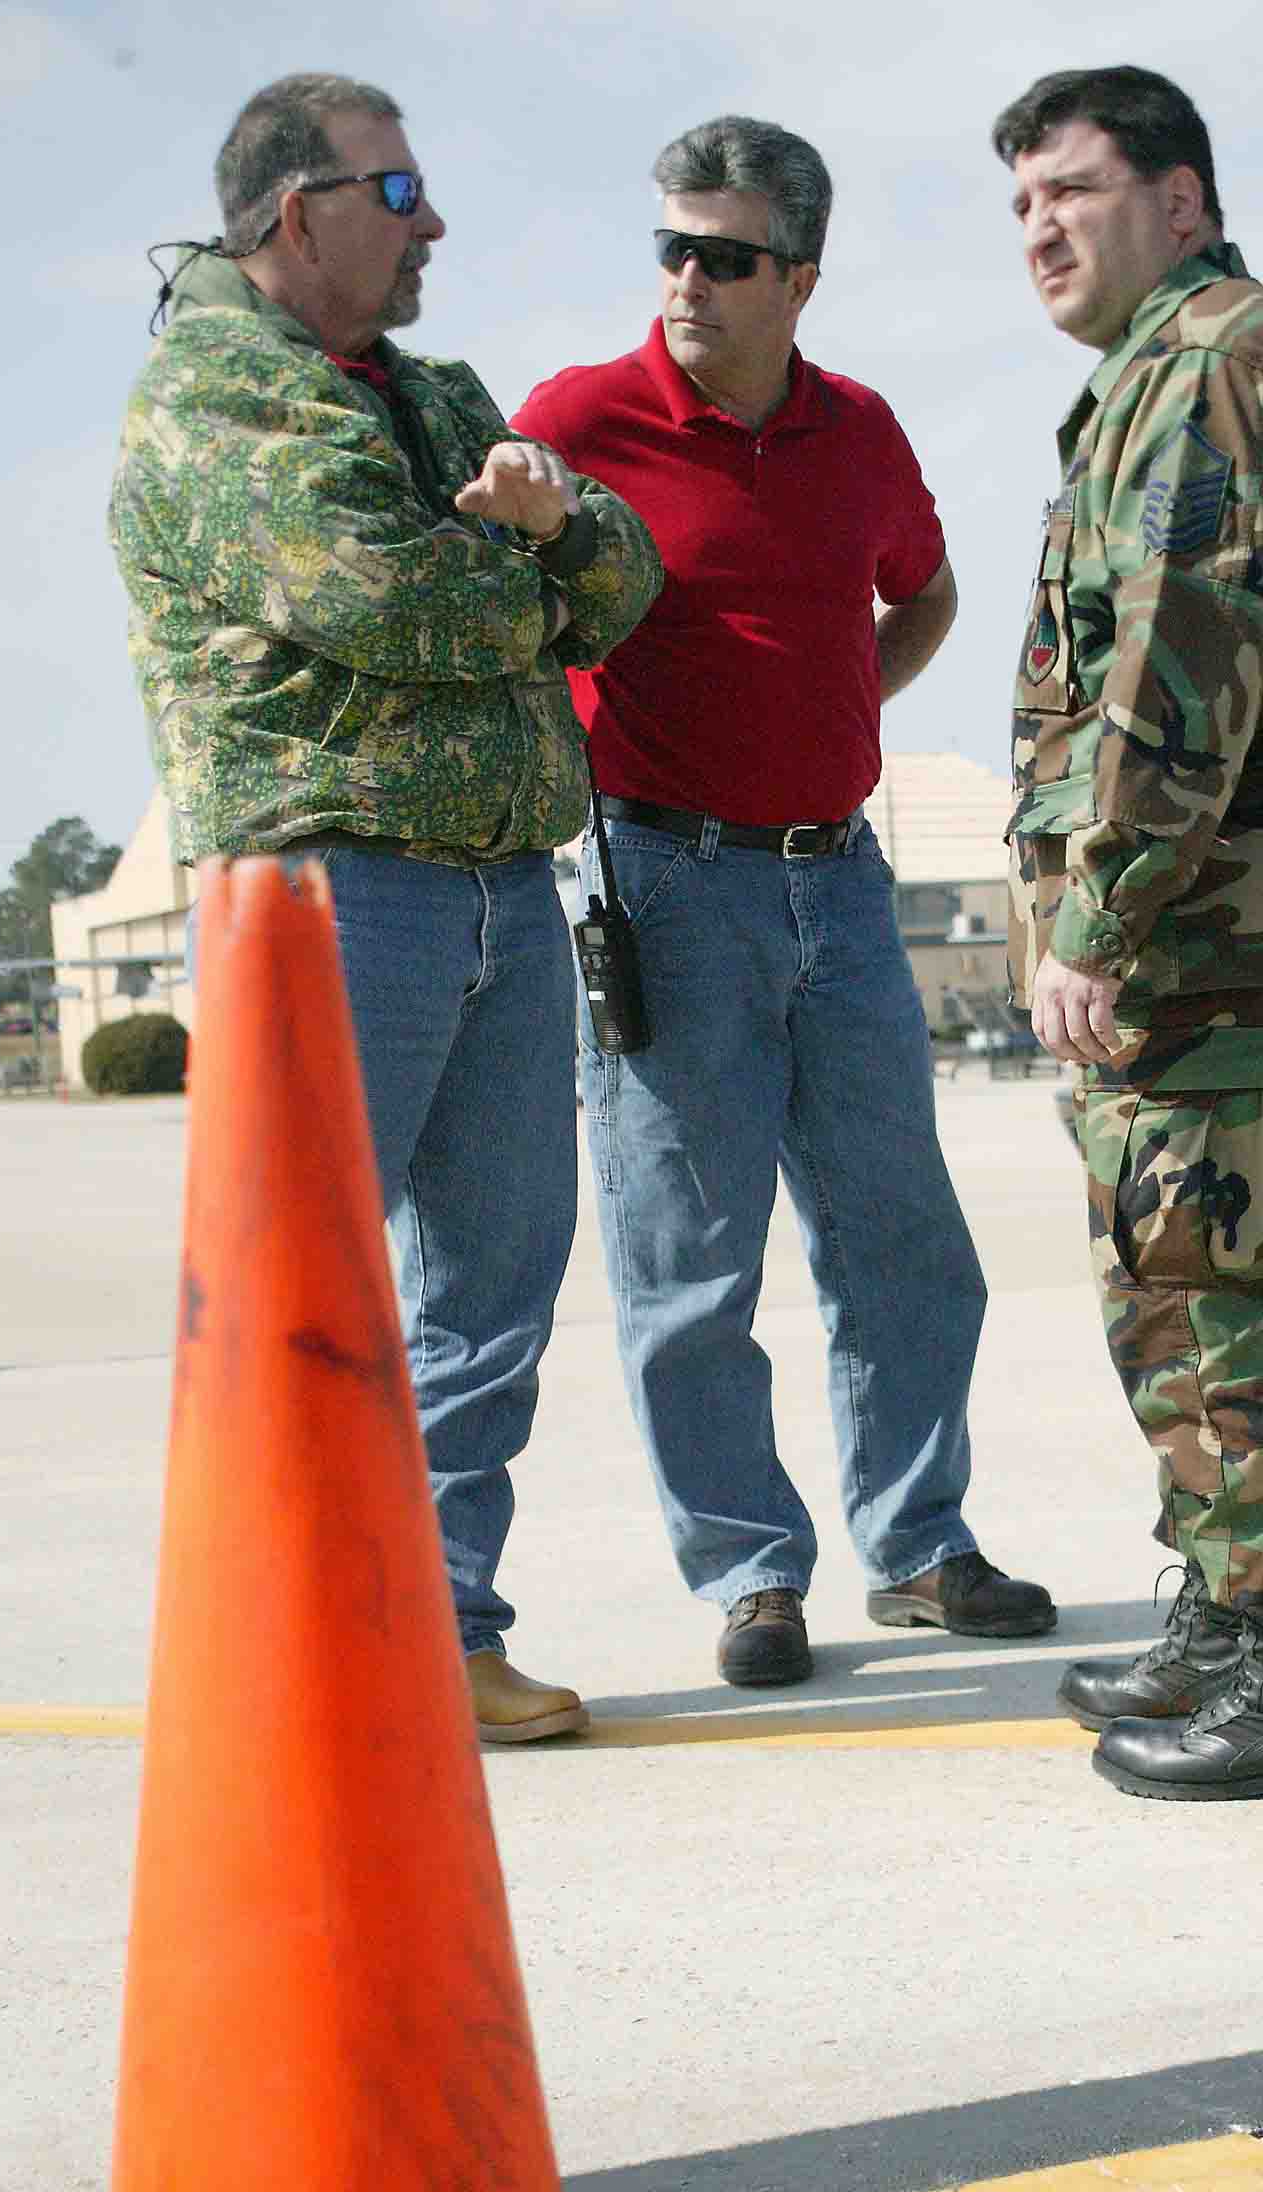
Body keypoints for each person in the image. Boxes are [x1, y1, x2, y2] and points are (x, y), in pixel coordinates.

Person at [110, 71, 662, 1743]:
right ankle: (286, 1653)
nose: (435, 228)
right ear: (299, 212)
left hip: (497, 886)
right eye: (400, 194)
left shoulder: (426, 394)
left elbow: (624, 578)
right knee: (305, 1294)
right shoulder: (212, 399)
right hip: (329, 896)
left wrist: (551, 529)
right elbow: (396, 600)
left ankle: (433, 1629)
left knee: (486, 1290)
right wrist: (533, 554)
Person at [513, 115, 1053, 1688]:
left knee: (903, 1241)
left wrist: (852, 719)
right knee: (689, 1265)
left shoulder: (860, 430)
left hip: (842, 884)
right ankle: (750, 1571)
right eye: (670, 247)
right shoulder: (577, 418)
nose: (686, 278)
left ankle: (920, 1544)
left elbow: (928, 587)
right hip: (664, 885)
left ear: (799, 277)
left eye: (725, 255)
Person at [993, 65, 1263, 1803]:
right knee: (1172, 1295)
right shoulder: (1150, 378)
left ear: (1176, 198)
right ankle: (1232, 1627)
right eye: (1019, 206)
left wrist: (1096, 914)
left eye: (1071, 192)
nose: (1039, 232)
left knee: (1224, 1299)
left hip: (1217, 925)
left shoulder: (1214, 363)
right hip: (1199, 930)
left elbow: (1180, 659)